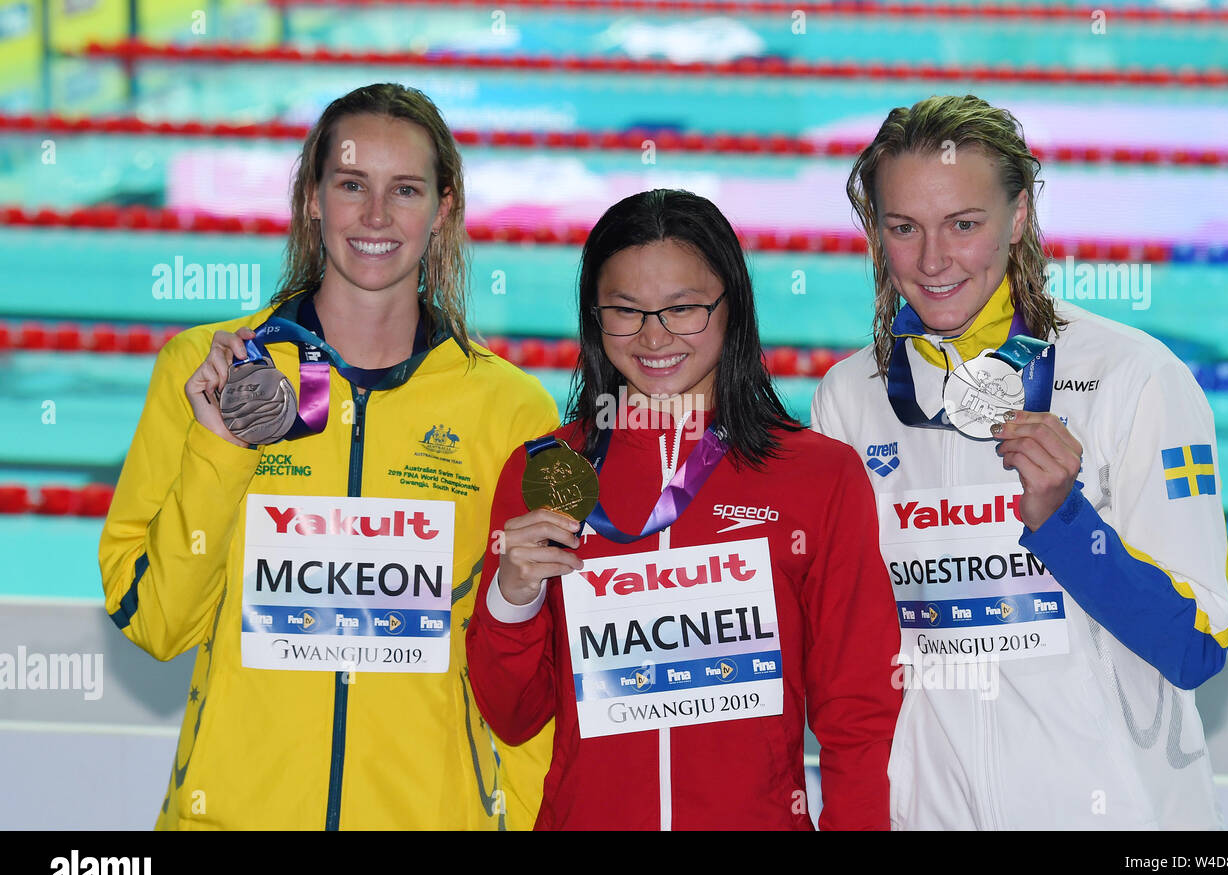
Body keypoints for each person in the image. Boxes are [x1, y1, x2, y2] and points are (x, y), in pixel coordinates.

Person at [99, 83, 557, 830]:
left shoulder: (508, 410)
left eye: (404, 190)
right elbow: (155, 623)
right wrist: (222, 445)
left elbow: (529, 663)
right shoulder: (205, 371)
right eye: (351, 185)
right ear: (313, 199)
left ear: (443, 210)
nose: (376, 217)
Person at [812, 94, 1228, 829]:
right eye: (904, 228)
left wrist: (1066, 521)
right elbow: (847, 655)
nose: (933, 260)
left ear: (1019, 220)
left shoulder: (1130, 377)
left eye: (964, 225)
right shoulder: (851, 397)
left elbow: (1195, 646)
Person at [466, 188, 901, 830]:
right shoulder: (549, 474)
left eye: (684, 309)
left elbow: (857, 712)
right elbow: (514, 714)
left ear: (732, 308)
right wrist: (514, 597)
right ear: (594, 316)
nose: (654, 337)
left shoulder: (816, 476)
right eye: (626, 310)